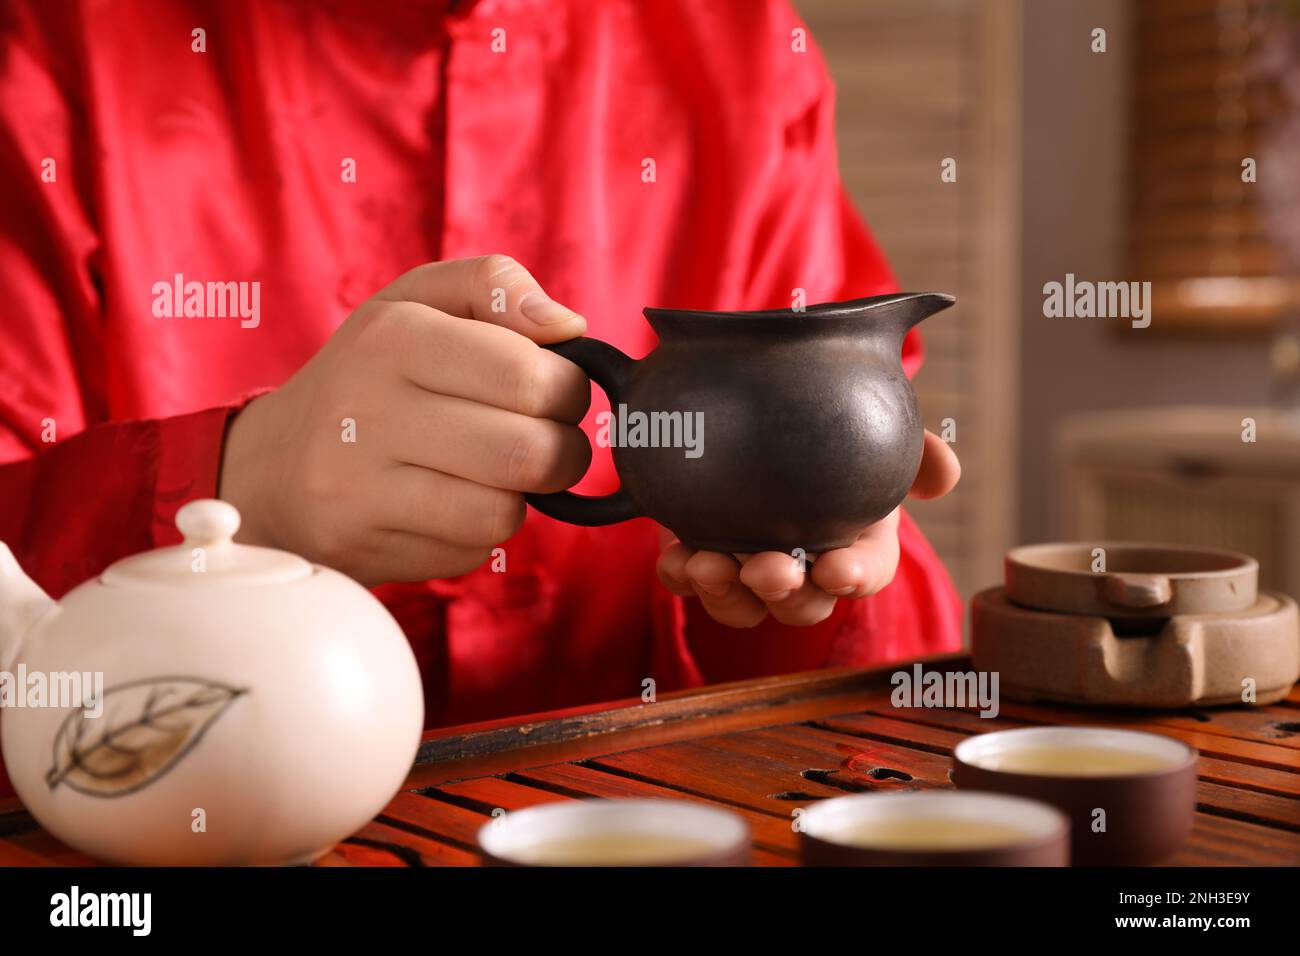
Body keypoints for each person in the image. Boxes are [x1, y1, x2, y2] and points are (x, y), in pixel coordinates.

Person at [0, 0, 962, 799]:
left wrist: (802, 578)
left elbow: (870, 682)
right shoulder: (56, 49)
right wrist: (234, 484)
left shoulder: (740, 48)